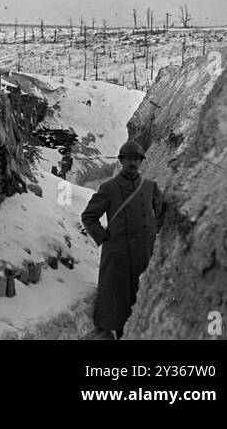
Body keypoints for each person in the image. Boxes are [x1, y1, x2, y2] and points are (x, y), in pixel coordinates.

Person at [80, 141, 161, 340]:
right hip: (119, 253)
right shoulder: (108, 188)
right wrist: (104, 237)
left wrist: (154, 232)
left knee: (143, 294)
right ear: (121, 161)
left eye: (136, 159)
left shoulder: (150, 186)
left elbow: (162, 210)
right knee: (118, 296)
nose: (133, 163)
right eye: (128, 159)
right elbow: (89, 216)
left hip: (144, 251)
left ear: (141, 161)